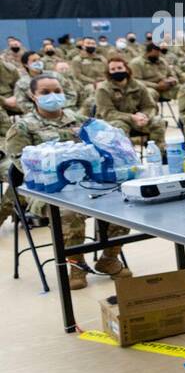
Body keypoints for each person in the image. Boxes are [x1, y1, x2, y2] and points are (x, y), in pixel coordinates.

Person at [4, 75, 132, 289]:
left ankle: (109, 258)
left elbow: (103, 150)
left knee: (124, 202)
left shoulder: (82, 121)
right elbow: (21, 164)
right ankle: (76, 264)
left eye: (57, 90)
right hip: (48, 192)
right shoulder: (23, 127)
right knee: (69, 213)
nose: (52, 96)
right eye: (45, 92)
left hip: (87, 187)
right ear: (33, 96)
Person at [95, 55, 167, 154]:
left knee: (158, 121)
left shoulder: (138, 85)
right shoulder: (103, 89)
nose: (117, 71)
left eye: (120, 68)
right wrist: (132, 117)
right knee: (119, 127)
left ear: (127, 69)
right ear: (109, 72)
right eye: (113, 69)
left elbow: (149, 106)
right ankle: (127, 158)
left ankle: (158, 154)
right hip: (114, 121)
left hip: (138, 121)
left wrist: (144, 116)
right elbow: (108, 113)